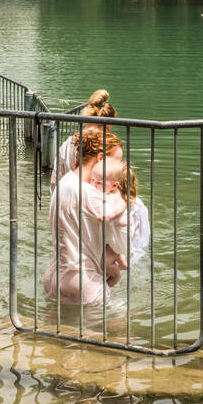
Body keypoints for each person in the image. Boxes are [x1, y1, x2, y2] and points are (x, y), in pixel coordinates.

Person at [44, 126, 131, 307]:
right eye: (116, 162)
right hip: (83, 281)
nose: (120, 170)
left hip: (53, 277)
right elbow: (123, 239)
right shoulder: (91, 193)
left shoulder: (65, 181)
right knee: (121, 330)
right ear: (101, 159)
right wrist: (124, 201)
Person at [50, 89, 118, 194]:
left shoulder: (68, 143)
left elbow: (55, 182)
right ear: (109, 125)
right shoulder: (109, 146)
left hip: (67, 199)